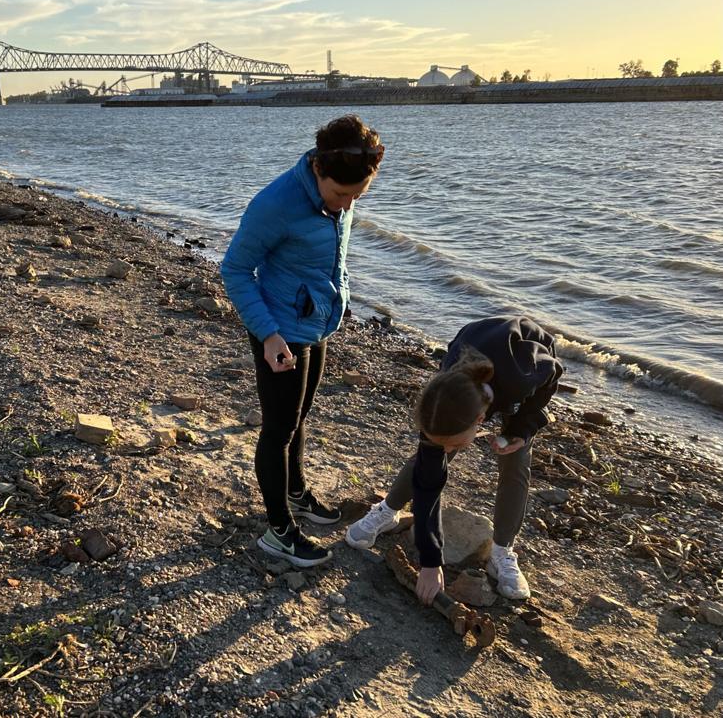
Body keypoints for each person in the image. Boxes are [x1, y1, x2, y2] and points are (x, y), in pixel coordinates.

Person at [221, 114, 385, 568]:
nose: (345, 205)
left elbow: (330, 256)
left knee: (299, 417)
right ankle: (278, 532)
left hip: (315, 324)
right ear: (317, 168)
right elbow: (234, 269)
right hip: (279, 330)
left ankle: (295, 492)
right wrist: (269, 335)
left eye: (356, 197)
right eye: (338, 195)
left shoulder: (343, 190)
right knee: (278, 430)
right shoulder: (276, 204)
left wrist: (340, 296)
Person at [345, 315, 562, 601]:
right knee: (430, 456)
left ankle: (502, 552)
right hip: (470, 348)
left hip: (527, 364)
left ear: (481, 421)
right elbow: (428, 485)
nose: (449, 451)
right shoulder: (445, 391)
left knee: (516, 460)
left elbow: (554, 373)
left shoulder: (521, 379)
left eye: (456, 444)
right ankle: (387, 511)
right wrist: (430, 560)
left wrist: (525, 426)